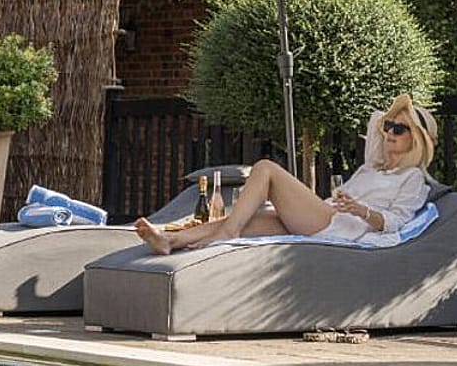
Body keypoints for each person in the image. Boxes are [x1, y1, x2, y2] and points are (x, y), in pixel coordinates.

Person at [135, 93, 438, 255]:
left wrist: (362, 210)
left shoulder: (412, 178)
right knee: (245, 219)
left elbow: (398, 222)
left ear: (417, 140)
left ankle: (228, 234)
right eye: (388, 127)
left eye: (400, 129)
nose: (389, 134)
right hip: (330, 215)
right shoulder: (372, 167)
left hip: (341, 226)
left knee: (266, 168)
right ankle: (170, 241)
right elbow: (375, 128)